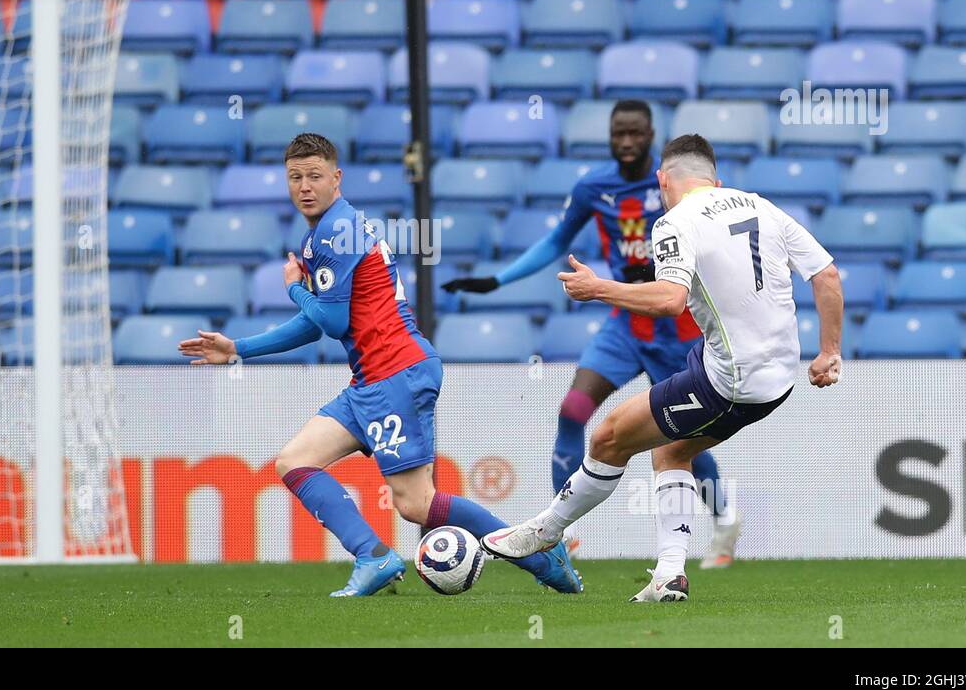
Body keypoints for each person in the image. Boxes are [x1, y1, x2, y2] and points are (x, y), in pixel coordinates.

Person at [180, 133, 583, 597]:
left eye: (315, 176)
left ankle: (539, 553)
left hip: (396, 373)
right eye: (295, 177)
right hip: (373, 379)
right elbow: (318, 324)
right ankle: (373, 556)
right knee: (295, 461)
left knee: (416, 504)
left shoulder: (336, 230)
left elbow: (328, 321)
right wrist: (238, 348)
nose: (305, 186)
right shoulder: (331, 230)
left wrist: (293, 285)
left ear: (337, 178)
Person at [480, 134, 844, 602]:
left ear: (662, 180)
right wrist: (828, 351)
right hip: (779, 379)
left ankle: (543, 532)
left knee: (608, 437)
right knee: (671, 453)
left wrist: (598, 288)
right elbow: (827, 275)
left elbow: (670, 299)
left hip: (729, 381)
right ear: (717, 180)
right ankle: (670, 575)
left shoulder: (675, 222)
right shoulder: (761, 206)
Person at [443, 100, 743, 568]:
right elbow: (557, 243)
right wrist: (496, 280)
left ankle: (724, 519)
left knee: (683, 438)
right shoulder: (593, 188)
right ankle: (558, 532)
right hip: (625, 324)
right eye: (618, 134)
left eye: (636, 134)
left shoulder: (674, 185)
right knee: (573, 409)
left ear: (651, 135)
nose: (626, 143)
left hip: (678, 330)